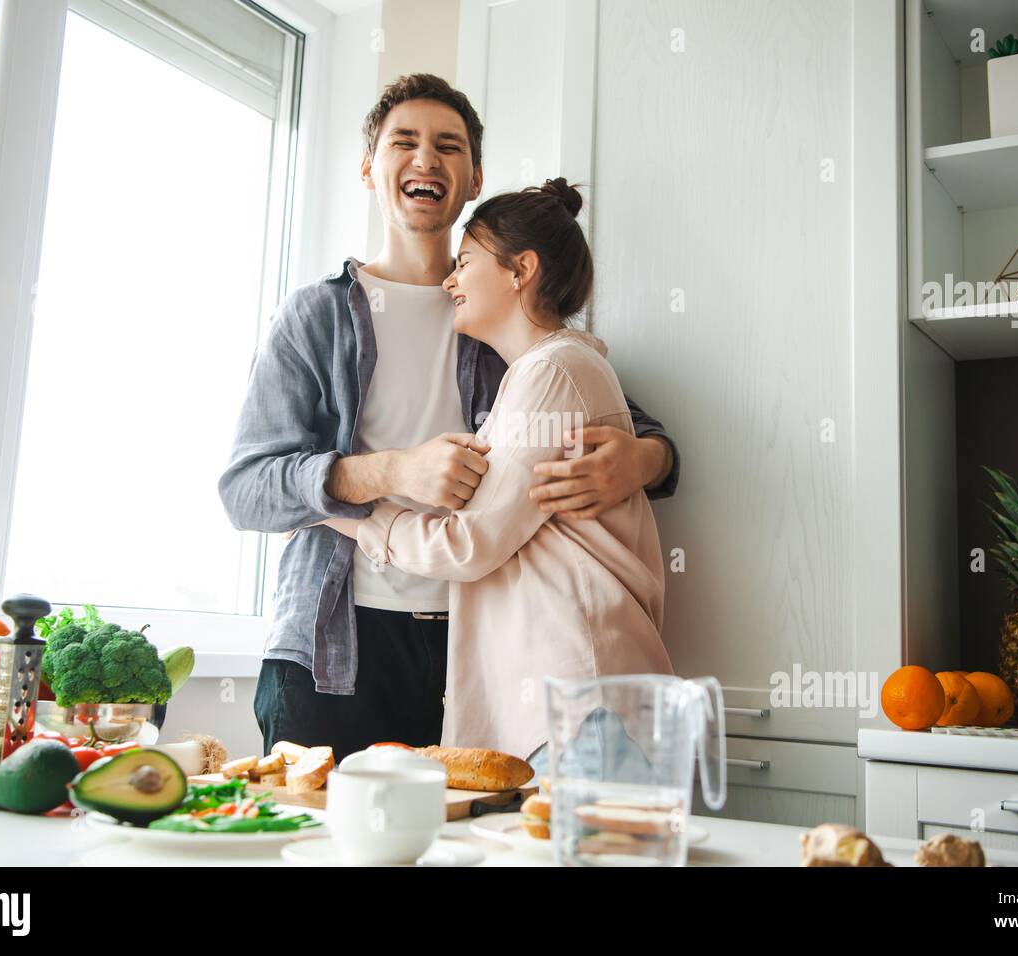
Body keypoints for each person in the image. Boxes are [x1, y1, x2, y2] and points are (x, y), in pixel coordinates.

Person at [217, 74, 680, 759]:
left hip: (475, 656)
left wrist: (646, 459)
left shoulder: (501, 318)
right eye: (404, 141)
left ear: (473, 179)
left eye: (449, 146)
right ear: (370, 170)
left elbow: (628, 425)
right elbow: (247, 488)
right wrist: (390, 472)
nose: (427, 158)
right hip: (335, 654)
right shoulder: (313, 317)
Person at [318, 178, 674, 766]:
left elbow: (467, 545)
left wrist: (343, 515)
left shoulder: (554, 373)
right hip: (567, 701)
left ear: (521, 270)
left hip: (580, 702)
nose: (450, 280)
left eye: (464, 263)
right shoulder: (545, 373)